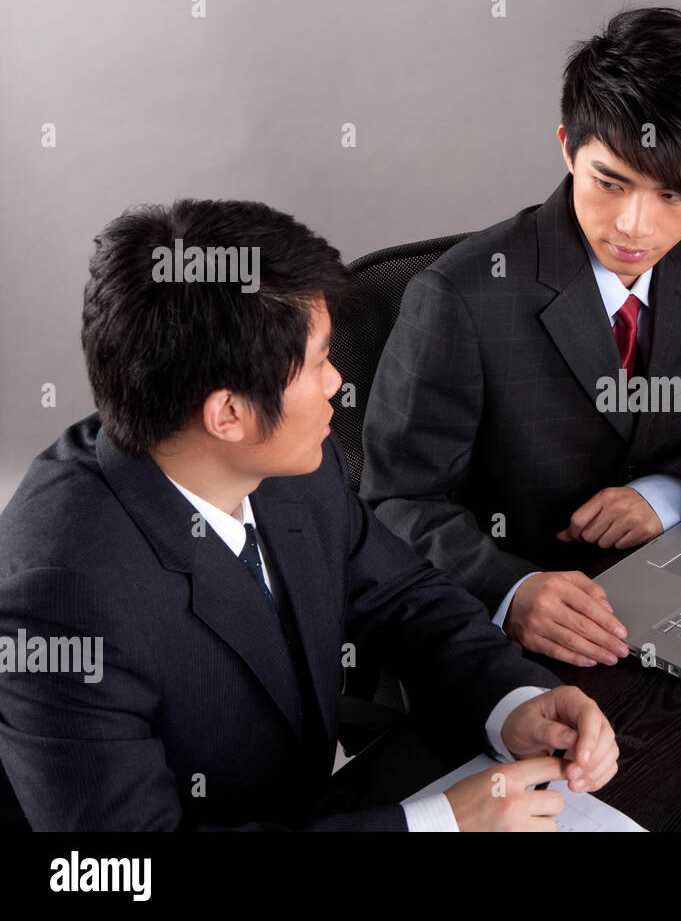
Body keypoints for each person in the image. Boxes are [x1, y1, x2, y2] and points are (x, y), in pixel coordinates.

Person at [0, 199, 618, 831]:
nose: (336, 383)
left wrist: (513, 702)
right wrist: (436, 827)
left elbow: (404, 596)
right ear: (229, 415)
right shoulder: (58, 600)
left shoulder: (284, 462)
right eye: (320, 360)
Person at [362, 7, 681, 668]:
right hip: (530, 630)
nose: (636, 227)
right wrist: (509, 590)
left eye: (676, 196)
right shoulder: (458, 299)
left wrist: (668, 494)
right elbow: (396, 501)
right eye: (611, 183)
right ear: (567, 147)